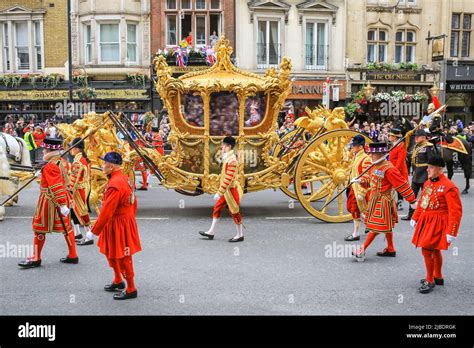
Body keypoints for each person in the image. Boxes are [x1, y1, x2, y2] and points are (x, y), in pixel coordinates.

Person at [87, 152, 141, 300]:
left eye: (104, 164)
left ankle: (131, 288)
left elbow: (106, 211)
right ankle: (118, 280)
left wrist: (94, 231)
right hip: (122, 221)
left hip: (118, 223)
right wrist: (130, 217)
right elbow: (133, 201)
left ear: (111, 166)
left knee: (124, 256)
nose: (102, 166)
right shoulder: (125, 178)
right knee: (110, 251)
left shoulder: (114, 185)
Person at [18, 138, 78, 268]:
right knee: (67, 228)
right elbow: (63, 180)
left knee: (39, 229)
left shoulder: (51, 165)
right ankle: (73, 255)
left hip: (50, 200)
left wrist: (62, 204)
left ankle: (36, 258)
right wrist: (42, 175)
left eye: (44, 149)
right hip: (62, 198)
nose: (43, 150)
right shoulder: (62, 162)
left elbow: (55, 185)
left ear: (49, 150)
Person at [353, 142, 416, 261]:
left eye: (374, 154)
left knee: (375, 227)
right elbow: (369, 182)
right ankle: (391, 249)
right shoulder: (374, 166)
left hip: (383, 201)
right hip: (375, 199)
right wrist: (360, 180)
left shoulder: (389, 169)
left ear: (381, 153)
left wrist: (412, 200)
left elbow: (402, 185)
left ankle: (362, 249)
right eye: (371, 153)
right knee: (385, 226)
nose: (371, 156)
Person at [410, 156, 462, 294]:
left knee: (427, 250)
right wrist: (415, 217)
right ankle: (438, 276)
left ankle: (430, 279)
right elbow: (423, 201)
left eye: (431, 167)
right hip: (427, 220)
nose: (428, 169)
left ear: (440, 169)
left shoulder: (449, 187)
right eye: (428, 167)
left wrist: (452, 231)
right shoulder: (428, 183)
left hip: (439, 223)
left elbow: (455, 212)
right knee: (434, 250)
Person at [199, 136, 244, 242]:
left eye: (223, 145)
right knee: (217, 208)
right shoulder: (228, 158)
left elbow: (228, 178)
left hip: (231, 191)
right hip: (226, 191)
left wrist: (219, 192)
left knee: (235, 212)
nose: (221, 147)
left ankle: (240, 234)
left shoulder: (232, 160)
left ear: (229, 146)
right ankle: (211, 232)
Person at [402, 129, 436, 221]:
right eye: (415, 136)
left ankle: (425, 214)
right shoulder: (416, 146)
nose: (416, 138)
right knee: (412, 195)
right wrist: (413, 170)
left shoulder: (429, 147)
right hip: (417, 174)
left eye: (418, 137)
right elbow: (414, 161)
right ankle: (410, 214)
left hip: (425, 174)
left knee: (426, 196)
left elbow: (432, 162)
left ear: (424, 137)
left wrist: (430, 174)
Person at [67, 137, 93, 246]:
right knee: (73, 212)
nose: (70, 149)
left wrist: (68, 189)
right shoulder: (82, 158)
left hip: (79, 190)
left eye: (72, 147)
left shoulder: (77, 162)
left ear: (77, 149)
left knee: (82, 213)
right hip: (83, 187)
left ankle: (89, 235)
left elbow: (74, 179)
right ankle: (78, 233)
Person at [344, 135, 371, 241]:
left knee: (356, 210)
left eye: (354, 146)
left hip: (360, 189)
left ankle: (355, 234)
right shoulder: (356, 156)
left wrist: (361, 191)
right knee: (355, 210)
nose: (352, 148)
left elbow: (367, 176)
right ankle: (369, 224)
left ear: (360, 147)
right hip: (353, 187)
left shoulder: (366, 158)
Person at [388, 128, 408, 210]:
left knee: (399, 187)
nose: (389, 137)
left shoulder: (401, 146)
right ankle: (391, 202)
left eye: (391, 136)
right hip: (391, 168)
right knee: (392, 186)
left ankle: (400, 202)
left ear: (395, 137)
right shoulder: (393, 144)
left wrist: (395, 170)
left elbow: (400, 160)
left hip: (398, 170)